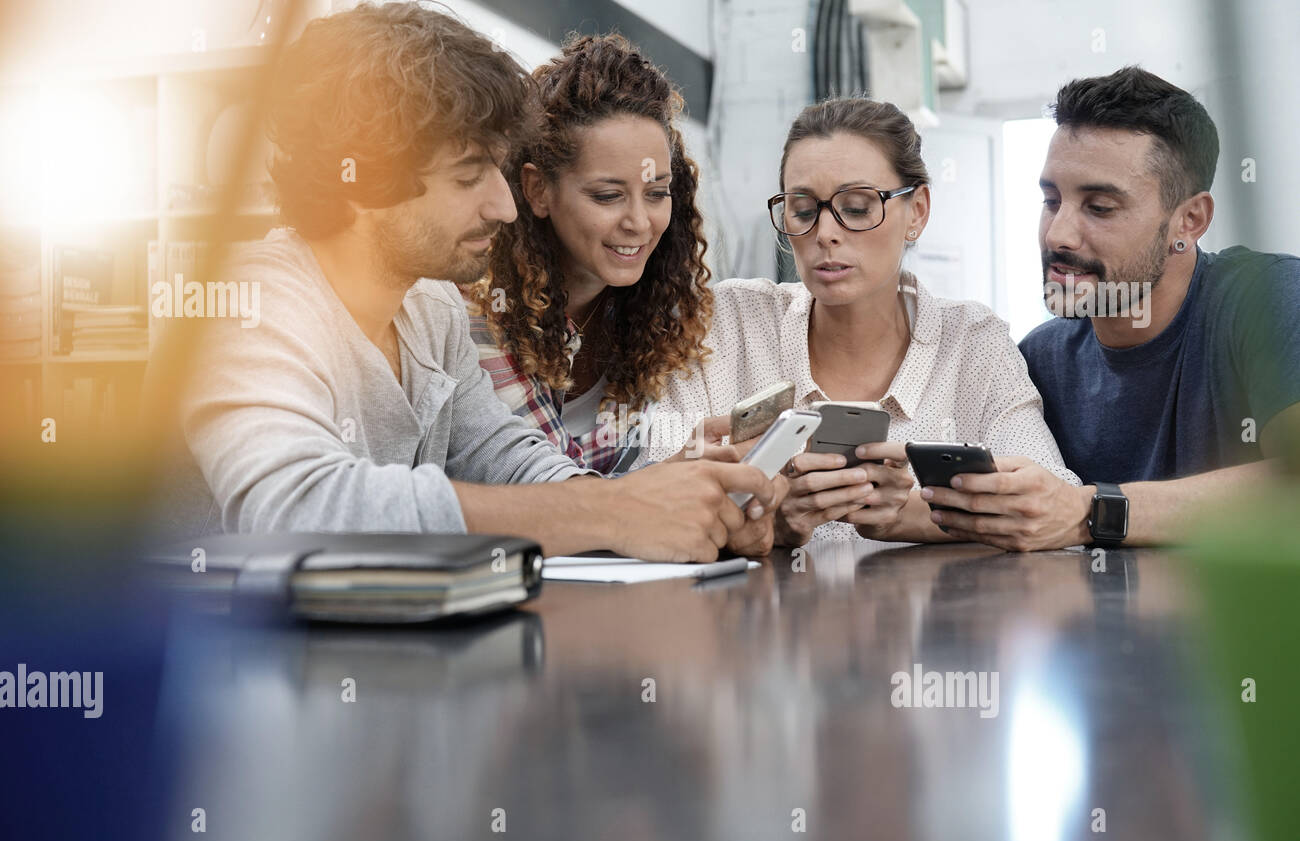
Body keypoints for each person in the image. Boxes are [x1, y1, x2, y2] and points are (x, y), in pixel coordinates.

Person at [154, 2, 782, 561]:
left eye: (498, 171)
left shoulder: (429, 310)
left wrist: (659, 500)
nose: (505, 208)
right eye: (466, 176)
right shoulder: (241, 306)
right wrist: (615, 513)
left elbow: (514, 465)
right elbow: (300, 511)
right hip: (209, 675)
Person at [643, 96, 1078, 546]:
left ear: (918, 211)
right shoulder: (728, 324)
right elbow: (650, 501)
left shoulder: (971, 342)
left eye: (857, 207)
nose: (825, 233)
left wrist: (905, 512)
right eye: (804, 210)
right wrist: (769, 519)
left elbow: (1052, 503)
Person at [928, 67, 1300, 551]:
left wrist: (1093, 512)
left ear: (1189, 220)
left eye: (1099, 207)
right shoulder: (1041, 359)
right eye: (1051, 200)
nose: (1058, 235)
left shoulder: (1267, 299)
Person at [466, 33, 711, 477]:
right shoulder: (479, 312)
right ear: (537, 189)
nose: (639, 222)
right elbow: (551, 490)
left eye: (657, 193)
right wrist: (679, 477)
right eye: (607, 196)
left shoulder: (652, 313)